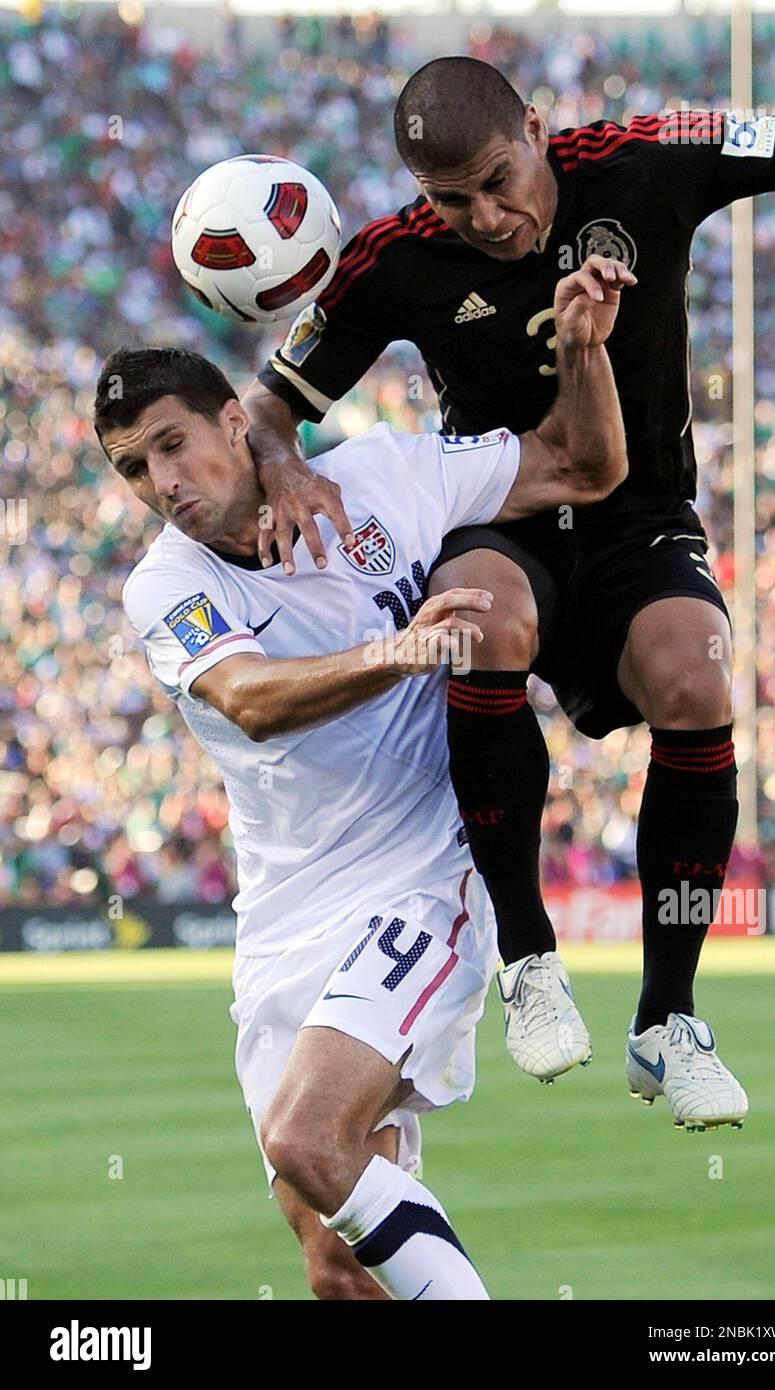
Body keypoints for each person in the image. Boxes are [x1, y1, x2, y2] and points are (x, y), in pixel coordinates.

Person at [241, 57, 775, 1118]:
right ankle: (528, 955)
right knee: (475, 620)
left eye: (497, 178)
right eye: (449, 198)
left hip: (641, 516)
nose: (484, 214)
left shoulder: (648, 162)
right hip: (502, 508)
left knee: (699, 681)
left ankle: (668, 1020)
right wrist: (282, 459)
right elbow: (272, 405)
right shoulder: (396, 259)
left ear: (539, 128)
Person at [97, 259, 630, 1300]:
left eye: (172, 443)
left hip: (422, 876)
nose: (161, 481)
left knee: (309, 1131)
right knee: (333, 1259)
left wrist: (585, 347)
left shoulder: (387, 474)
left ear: (236, 422)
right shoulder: (166, 582)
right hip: (286, 913)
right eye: (132, 467)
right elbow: (248, 695)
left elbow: (580, 465)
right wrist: (399, 652)